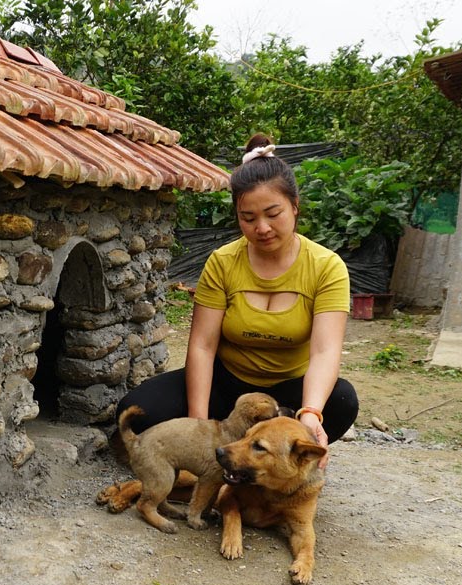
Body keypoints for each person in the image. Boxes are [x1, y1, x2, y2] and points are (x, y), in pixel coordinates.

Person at [117, 134, 359, 466]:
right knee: (140, 409)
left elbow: (324, 351)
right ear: (238, 216)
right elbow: (202, 345)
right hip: (227, 387)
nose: (262, 227)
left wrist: (311, 412)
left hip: (288, 394)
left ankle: (275, 456)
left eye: (273, 213)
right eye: (248, 218)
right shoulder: (223, 261)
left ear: (295, 206)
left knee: (343, 401)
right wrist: (197, 427)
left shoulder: (327, 267)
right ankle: (240, 445)